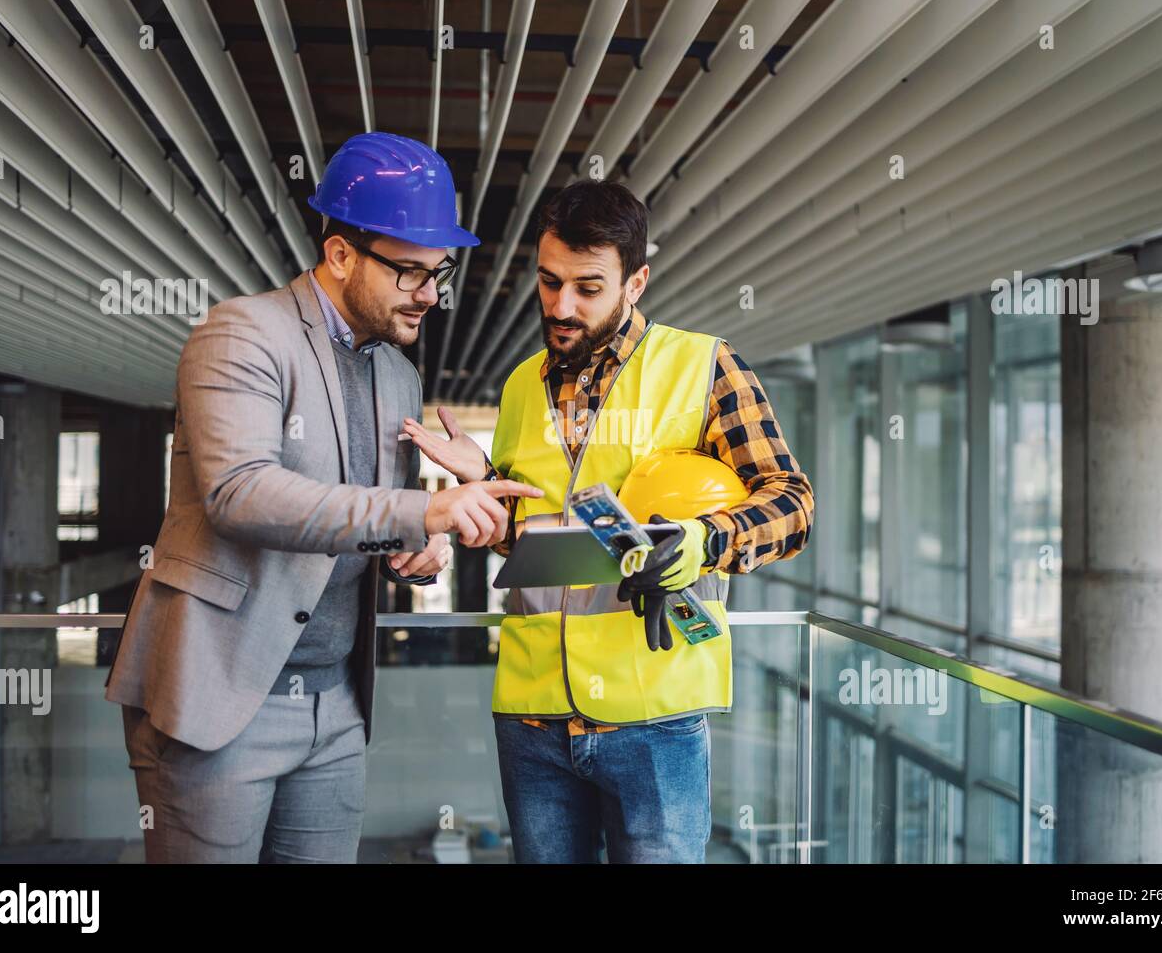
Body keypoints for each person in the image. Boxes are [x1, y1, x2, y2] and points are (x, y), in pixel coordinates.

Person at [105, 132, 541, 863]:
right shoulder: (242, 334)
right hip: (221, 696)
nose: (431, 295)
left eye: (440, 273)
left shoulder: (398, 375)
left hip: (336, 705)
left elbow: (368, 519)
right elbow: (240, 494)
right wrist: (419, 511)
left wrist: (418, 550)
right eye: (409, 272)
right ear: (340, 254)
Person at [403, 179, 814, 863]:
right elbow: (530, 533)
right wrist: (480, 485)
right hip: (533, 717)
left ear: (637, 281)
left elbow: (792, 504)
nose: (561, 306)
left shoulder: (705, 366)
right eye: (549, 282)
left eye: (588, 287)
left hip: (654, 717)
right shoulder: (519, 384)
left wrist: (707, 540)